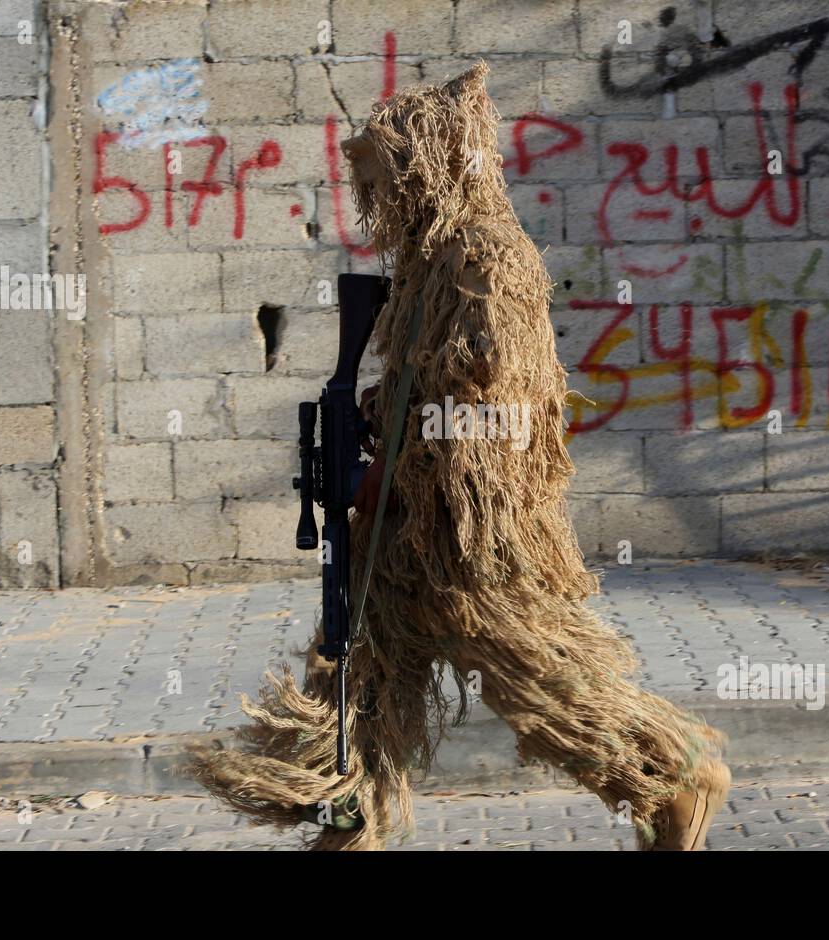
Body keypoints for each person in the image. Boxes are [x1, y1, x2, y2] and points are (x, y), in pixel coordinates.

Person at [192, 61, 730, 851]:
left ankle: (674, 773)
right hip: (407, 526)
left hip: (470, 537)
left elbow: (493, 407)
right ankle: (348, 828)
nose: (375, 203)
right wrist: (375, 412)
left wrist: (406, 468)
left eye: (387, 181)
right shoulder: (425, 263)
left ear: (433, 166)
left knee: (536, 685)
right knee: (358, 679)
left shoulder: (484, 262)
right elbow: (430, 383)